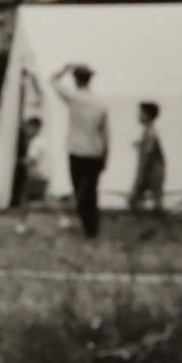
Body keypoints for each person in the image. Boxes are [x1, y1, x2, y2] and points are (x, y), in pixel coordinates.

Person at [53, 62, 109, 239]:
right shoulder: (100, 102)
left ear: (76, 80)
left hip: (77, 150)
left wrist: (65, 69)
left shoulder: (74, 98)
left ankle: (88, 226)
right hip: (95, 151)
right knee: (91, 191)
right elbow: (106, 133)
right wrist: (106, 156)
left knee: (79, 190)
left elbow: (53, 81)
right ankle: (91, 227)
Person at [131, 100, 168, 222]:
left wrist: (141, 174)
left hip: (153, 170)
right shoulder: (149, 131)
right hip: (154, 168)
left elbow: (148, 153)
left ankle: (151, 224)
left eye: (141, 113)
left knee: (136, 198)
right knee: (151, 199)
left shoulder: (150, 132)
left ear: (147, 115)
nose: (138, 115)